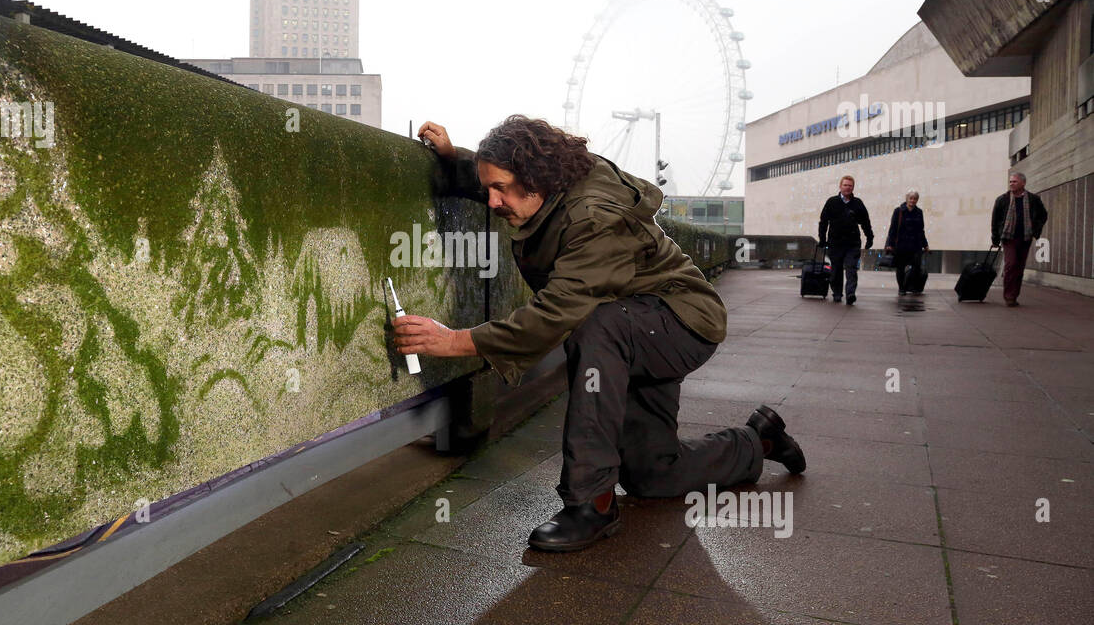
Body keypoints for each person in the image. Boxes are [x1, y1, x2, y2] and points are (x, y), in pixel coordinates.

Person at [395, 115, 806, 553]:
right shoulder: (548, 183)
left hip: (680, 322)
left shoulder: (592, 216)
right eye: (488, 187)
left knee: (594, 323)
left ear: (535, 179)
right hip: (637, 326)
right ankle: (758, 440)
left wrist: (455, 341)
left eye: (500, 189)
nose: (492, 201)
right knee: (653, 474)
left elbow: (556, 312)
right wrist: (453, 158)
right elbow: (497, 184)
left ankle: (591, 503)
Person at [991, 171, 1048, 307]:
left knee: (1019, 267)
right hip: (1008, 237)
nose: (1011, 184)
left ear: (1023, 183)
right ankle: (1009, 296)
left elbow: (1043, 215)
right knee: (1010, 265)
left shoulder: (1034, 199)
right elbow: (995, 220)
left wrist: (1035, 229)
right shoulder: (1002, 199)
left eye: (1014, 181)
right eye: (1010, 181)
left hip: (1025, 237)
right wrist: (995, 238)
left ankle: (1014, 295)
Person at [817, 174, 874, 305]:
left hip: (852, 243)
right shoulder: (831, 202)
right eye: (845, 185)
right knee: (836, 269)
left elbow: (865, 222)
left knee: (851, 268)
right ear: (840, 186)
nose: (848, 188)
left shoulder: (858, 203)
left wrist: (869, 237)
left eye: (850, 185)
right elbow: (823, 222)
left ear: (853, 188)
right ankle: (837, 293)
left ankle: (850, 293)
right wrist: (822, 238)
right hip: (835, 242)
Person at [884, 190, 929, 295]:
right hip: (901, 244)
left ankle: (907, 284)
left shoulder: (919, 212)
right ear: (907, 199)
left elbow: (921, 230)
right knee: (900, 267)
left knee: (916, 266)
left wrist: (925, 244)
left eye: (915, 199)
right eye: (911, 198)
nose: (912, 201)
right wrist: (889, 244)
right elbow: (893, 229)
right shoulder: (898, 211)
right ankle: (902, 288)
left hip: (915, 244)